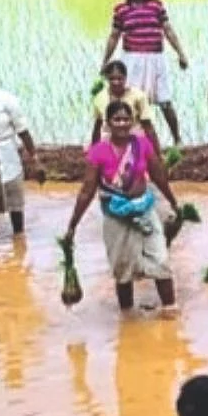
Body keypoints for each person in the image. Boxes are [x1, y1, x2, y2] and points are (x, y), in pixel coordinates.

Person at [65, 100, 182, 312]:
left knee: (161, 262)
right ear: (108, 123)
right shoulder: (98, 151)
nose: (122, 123)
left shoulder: (142, 144)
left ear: (132, 121)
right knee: (122, 268)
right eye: (117, 119)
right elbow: (87, 191)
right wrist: (73, 224)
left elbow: (158, 176)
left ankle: (171, 309)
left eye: (126, 119)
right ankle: (127, 317)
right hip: (115, 215)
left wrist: (174, 202)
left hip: (144, 209)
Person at [102, 0, 188, 146]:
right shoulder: (121, 10)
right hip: (131, 59)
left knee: (164, 101)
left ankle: (177, 138)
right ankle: (128, 139)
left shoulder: (156, 6)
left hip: (156, 58)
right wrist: (105, 62)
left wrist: (180, 53)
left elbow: (168, 30)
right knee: (129, 101)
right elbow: (114, 37)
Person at [0, 64, 41, 238]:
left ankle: (18, 236)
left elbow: (23, 131)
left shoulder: (7, 101)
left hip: (6, 151)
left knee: (14, 195)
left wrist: (34, 158)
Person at [92, 60, 162, 154]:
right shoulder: (100, 98)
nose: (116, 82)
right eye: (112, 79)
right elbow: (97, 127)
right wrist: (93, 151)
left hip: (134, 140)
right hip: (109, 141)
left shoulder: (138, 96)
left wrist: (158, 153)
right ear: (107, 79)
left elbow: (148, 126)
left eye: (119, 79)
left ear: (125, 78)